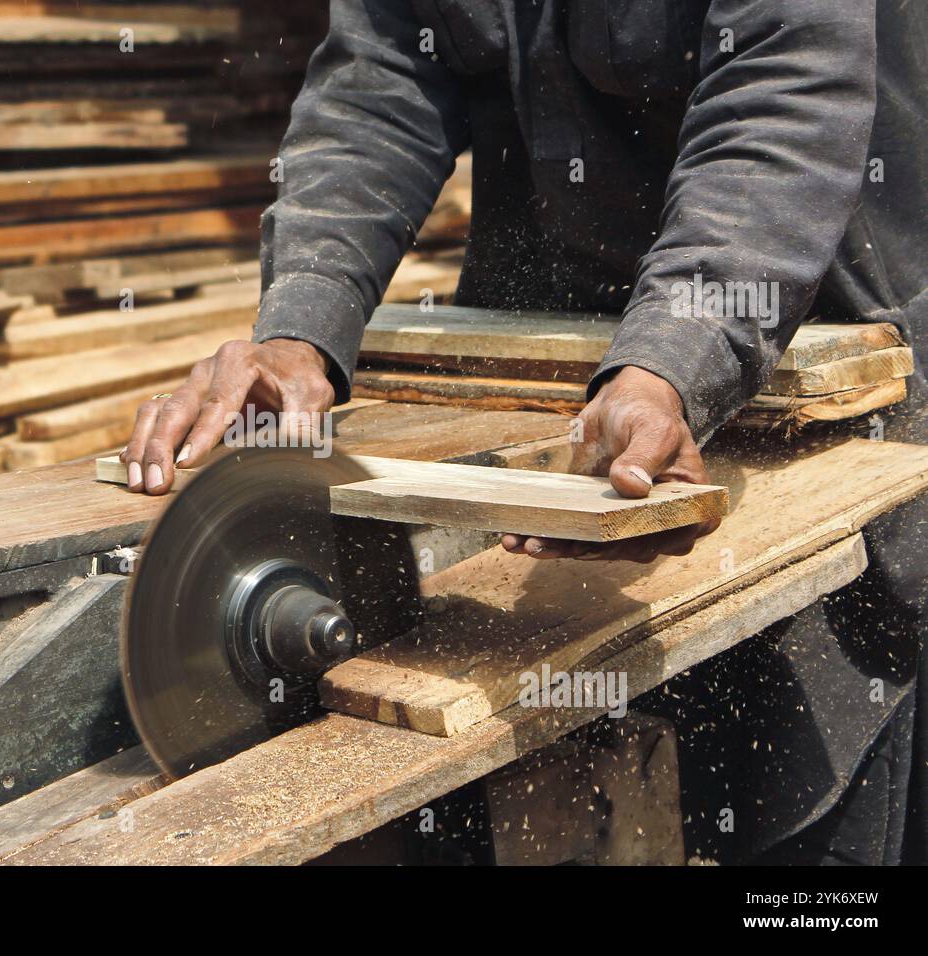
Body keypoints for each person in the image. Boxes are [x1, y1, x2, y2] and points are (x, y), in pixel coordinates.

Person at [123, 0, 927, 862]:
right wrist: (300, 329)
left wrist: (668, 363)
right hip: (547, 347)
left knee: (798, 812)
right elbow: (381, 80)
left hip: (812, 336)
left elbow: (780, 104)